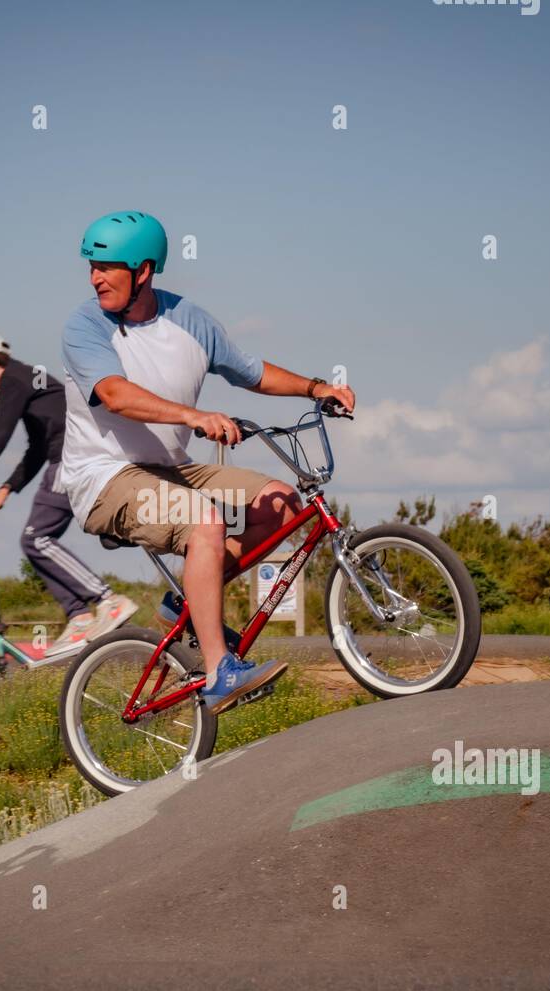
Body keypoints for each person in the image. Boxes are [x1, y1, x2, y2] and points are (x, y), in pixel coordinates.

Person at [58, 211, 356, 714]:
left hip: (170, 469)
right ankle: (220, 671)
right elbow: (114, 395)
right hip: (105, 478)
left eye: (107, 267)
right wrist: (194, 416)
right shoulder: (86, 326)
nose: (95, 278)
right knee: (206, 520)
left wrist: (316, 387)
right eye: (92, 266)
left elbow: (249, 372)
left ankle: (189, 606)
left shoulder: (189, 320)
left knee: (281, 502)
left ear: (144, 271)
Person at [0, 332, 137, 656]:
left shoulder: (15, 379)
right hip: (63, 458)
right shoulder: (27, 382)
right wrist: (7, 488)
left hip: (72, 460)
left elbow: (0, 429)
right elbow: (37, 446)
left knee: (36, 539)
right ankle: (79, 617)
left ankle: (108, 601)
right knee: (33, 540)